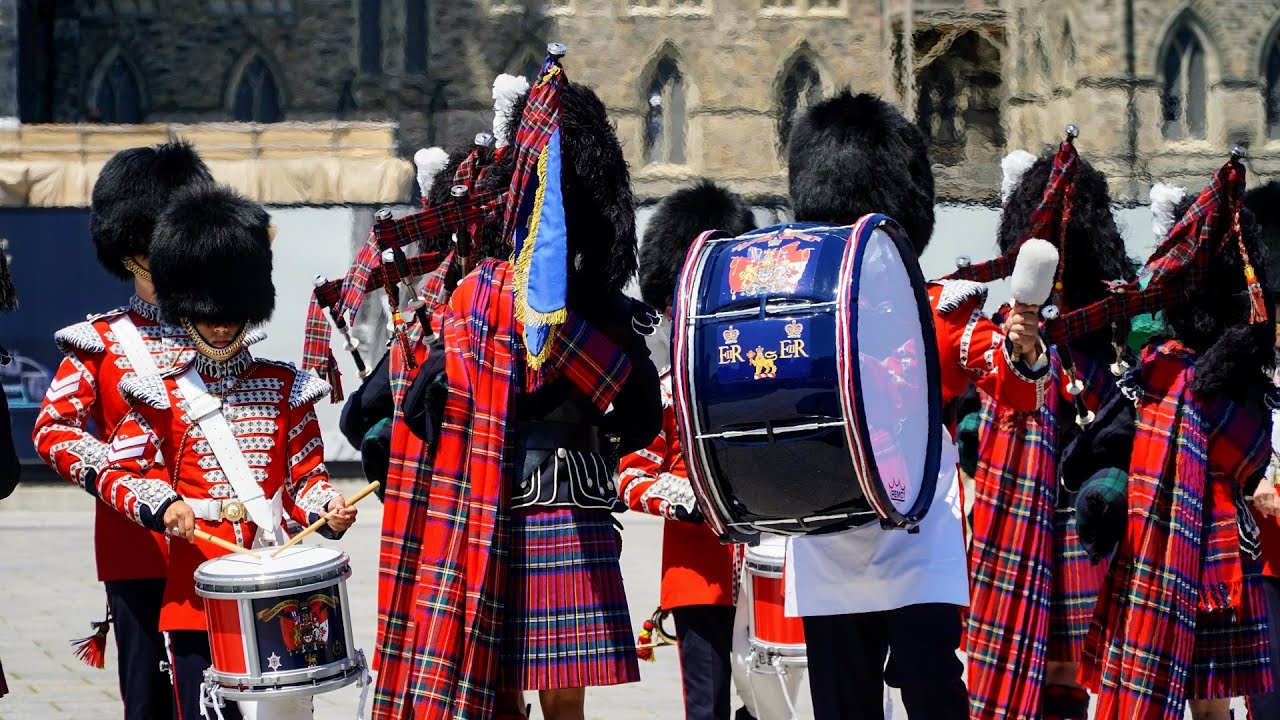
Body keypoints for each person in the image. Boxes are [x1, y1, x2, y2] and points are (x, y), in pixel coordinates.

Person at [372, 50, 662, 720]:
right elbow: (640, 411)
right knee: (563, 707)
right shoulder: (586, 314)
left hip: (485, 506)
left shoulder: (471, 297)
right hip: (568, 497)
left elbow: (415, 413)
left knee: (492, 691)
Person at [779, 89, 1049, 720]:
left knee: (931, 685)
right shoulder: (800, 310)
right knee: (843, 703)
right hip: (829, 528)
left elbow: (1009, 382)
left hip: (915, 530)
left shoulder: (937, 309)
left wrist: (1022, 348)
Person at [93, 183, 357, 720]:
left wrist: (326, 510)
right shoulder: (159, 392)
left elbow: (306, 477)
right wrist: (163, 504)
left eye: (230, 311)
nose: (220, 323)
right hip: (195, 589)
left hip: (275, 579)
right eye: (209, 311)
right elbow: (118, 472)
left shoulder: (288, 387)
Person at [1063, 159, 1273, 720]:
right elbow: (1108, 444)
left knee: (1210, 707)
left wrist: (1222, 375)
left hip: (1216, 559)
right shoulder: (1157, 368)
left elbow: (1251, 461)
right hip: (1156, 549)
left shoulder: (1240, 380)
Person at [33, 140, 212, 720]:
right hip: (137, 546)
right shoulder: (99, 341)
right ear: (135, 255)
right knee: (149, 700)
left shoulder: (224, 338)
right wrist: (132, 490)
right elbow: (55, 430)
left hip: (217, 546)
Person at [966, 144, 1134, 720]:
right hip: (1016, 502)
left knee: (1064, 666)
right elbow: (978, 404)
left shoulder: (1105, 337)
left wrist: (1107, 477)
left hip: (1077, 507)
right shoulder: (1003, 327)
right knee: (1016, 663)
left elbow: (1122, 420)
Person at [618, 178, 763, 720]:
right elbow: (630, 475)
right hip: (698, 571)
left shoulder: (764, 377)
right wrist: (678, 497)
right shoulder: (668, 387)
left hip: (769, 566)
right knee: (705, 710)